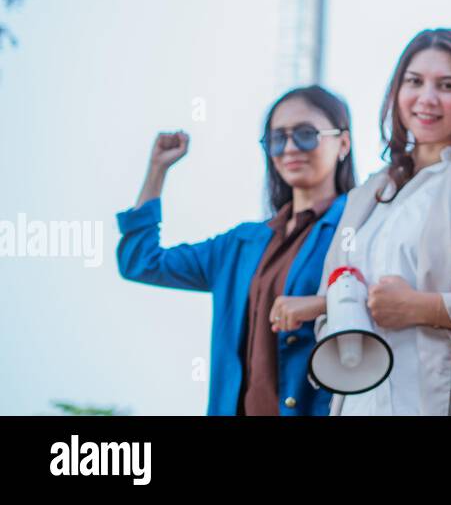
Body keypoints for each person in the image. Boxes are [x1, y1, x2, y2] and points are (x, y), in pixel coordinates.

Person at [313, 28, 451, 415]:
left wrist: (423, 308)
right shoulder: (368, 194)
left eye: (446, 85)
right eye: (414, 82)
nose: (426, 98)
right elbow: (334, 294)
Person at [117, 85, 355, 415]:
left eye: (305, 134)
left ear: (343, 143)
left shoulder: (361, 227)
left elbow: (386, 304)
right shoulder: (242, 244)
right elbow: (140, 262)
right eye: (276, 139)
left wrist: (322, 305)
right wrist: (157, 170)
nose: (289, 148)